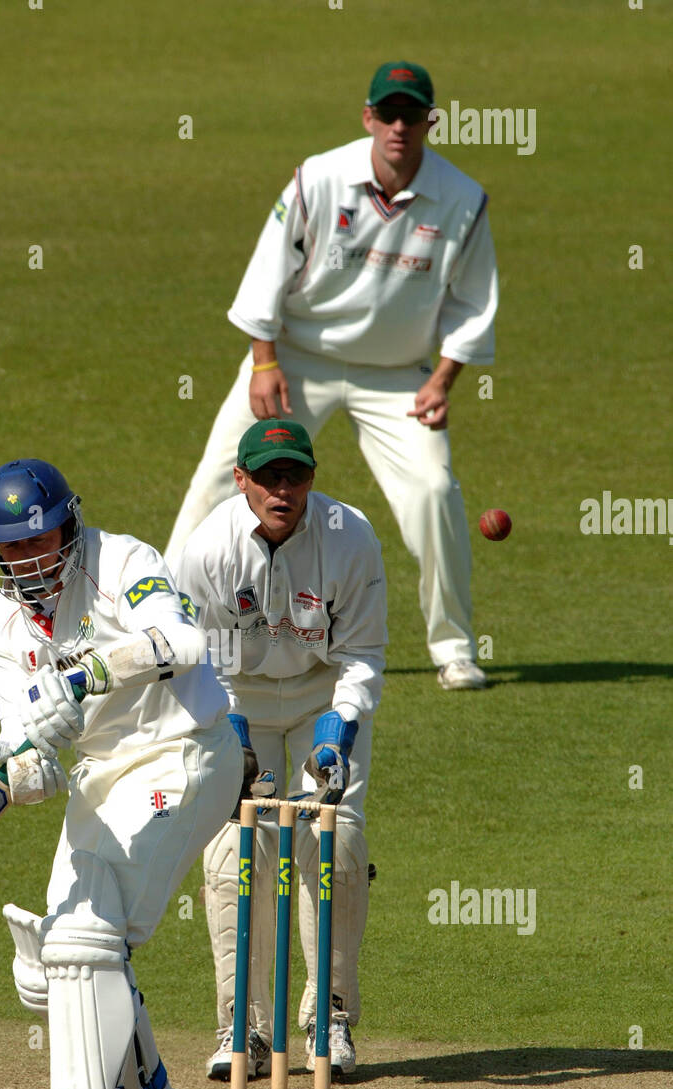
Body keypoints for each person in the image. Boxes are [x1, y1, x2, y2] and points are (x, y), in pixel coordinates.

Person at [165, 60, 497, 692]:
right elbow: (268, 270)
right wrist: (264, 360)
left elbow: (471, 303)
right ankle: (165, 627)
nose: (400, 126)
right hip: (296, 357)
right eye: (388, 113)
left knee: (433, 491)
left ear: (431, 120)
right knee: (216, 480)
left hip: (398, 375)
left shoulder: (462, 200)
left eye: (412, 115)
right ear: (368, 117)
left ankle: (454, 647)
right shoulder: (319, 178)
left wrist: (443, 379)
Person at [0, 457, 241, 1089]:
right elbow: (27, 749)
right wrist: (31, 769)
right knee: (48, 965)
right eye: (12, 547)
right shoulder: (2, 623)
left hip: (182, 752)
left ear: (69, 526)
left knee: (85, 941)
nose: (28, 559)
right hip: (101, 778)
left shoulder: (122, 560)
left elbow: (183, 643)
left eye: (41, 539)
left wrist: (84, 674)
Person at [173, 419, 387, 1080]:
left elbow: (361, 655)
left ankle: (331, 1017)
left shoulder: (349, 538)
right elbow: (193, 661)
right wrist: (228, 730)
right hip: (238, 697)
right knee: (239, 849)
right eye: (268, 476)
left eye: (294, 474)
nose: (282, 488)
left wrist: (340, 728)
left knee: (335, 843)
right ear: (242, 480)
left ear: (312, 477)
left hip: (324, 694)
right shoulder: (206, 549)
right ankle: (244, 1027)